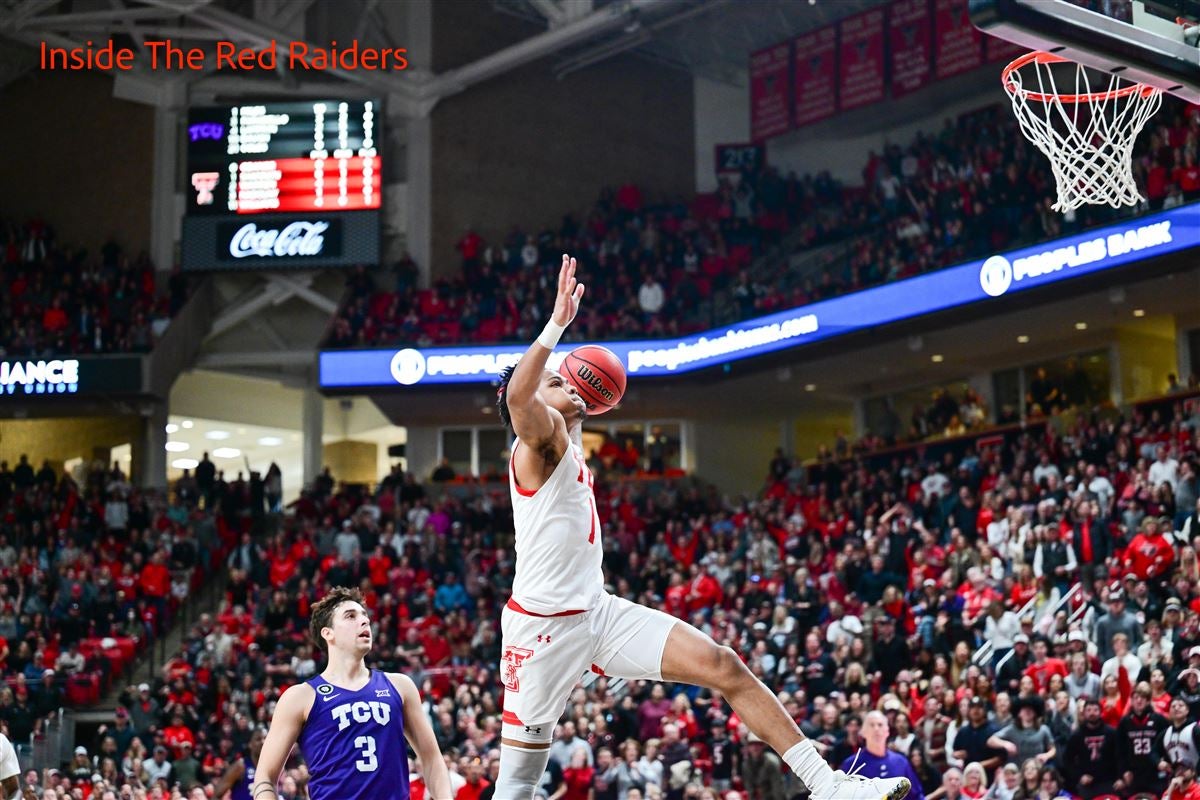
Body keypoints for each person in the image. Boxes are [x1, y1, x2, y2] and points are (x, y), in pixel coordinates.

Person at [492, 256, 911, 800]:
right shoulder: (536, 445)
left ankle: (827, 784)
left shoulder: (568, 442)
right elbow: (520, 398)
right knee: (518, 785)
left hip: (596, 612)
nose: (564, 380)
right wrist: (554, 327)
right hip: (541, 631)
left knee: (723, 665)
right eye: (554, 380)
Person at [254, 586, 453, 800]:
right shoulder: (300, 697)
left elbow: (432, 759)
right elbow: (265, 776)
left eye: (365, 616)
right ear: (327, 633)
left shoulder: (400, 686)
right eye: (350, 616)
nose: (364, 621)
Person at [837, 712, 925, 800]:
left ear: (887, 731)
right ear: (863, 732)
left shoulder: (901, 762)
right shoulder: (851, 764)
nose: (876, 729)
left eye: (880, 725)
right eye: (871, 725)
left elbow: (916, 796)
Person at [211, 727, 265, 800]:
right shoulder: (240, 766)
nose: (263, 742)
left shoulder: (270, 767)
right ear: (250, 744)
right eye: (258, 739)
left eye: (265, 738)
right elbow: (216, 795)